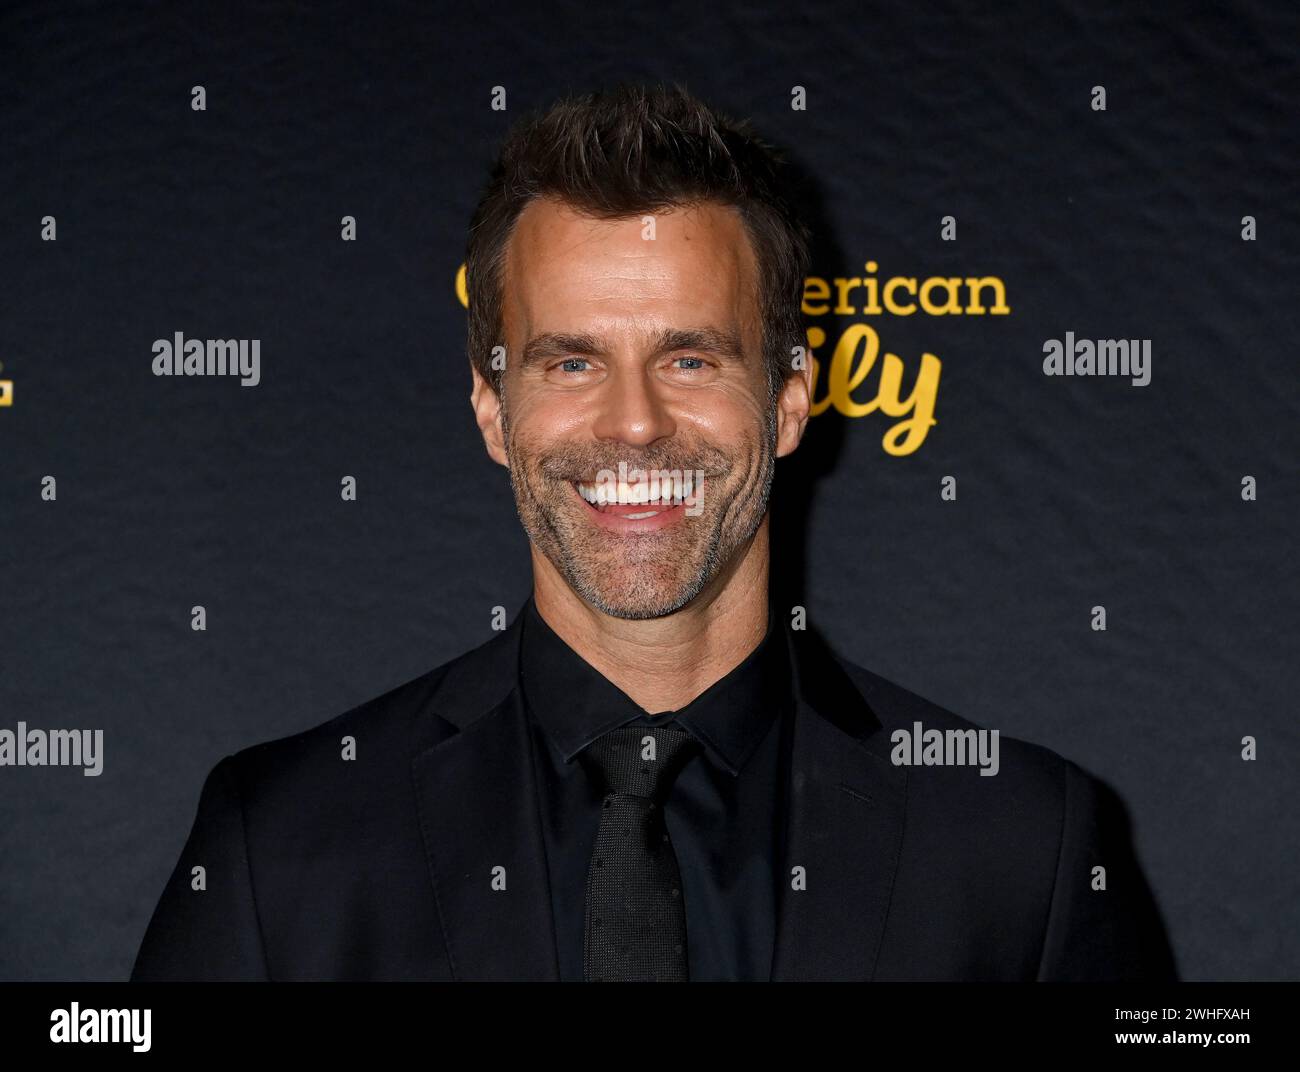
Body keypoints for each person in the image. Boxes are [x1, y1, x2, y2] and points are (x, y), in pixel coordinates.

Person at [131, 82, 1176, 982]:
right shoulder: (282, 839)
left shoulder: (1018, 843)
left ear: (788, 401)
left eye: (690, 358)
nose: (633, 421)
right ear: (495, 411)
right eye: (571, 362)